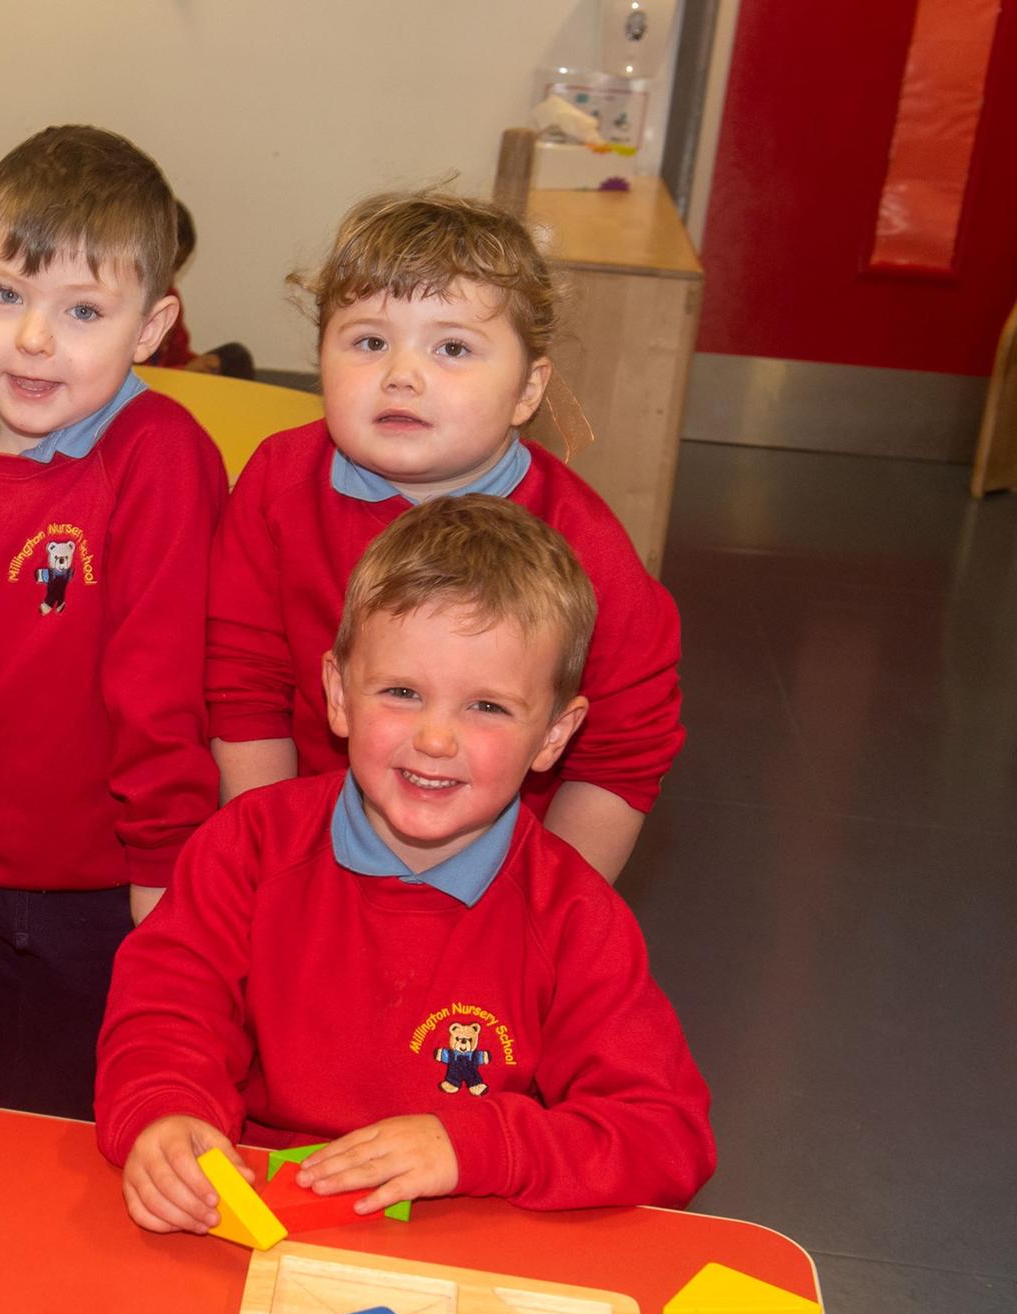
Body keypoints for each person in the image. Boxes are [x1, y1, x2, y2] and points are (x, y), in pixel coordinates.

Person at [98, 496, 714, 1226]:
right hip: (252, 1227)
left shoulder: (574, 917)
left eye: (486, 706)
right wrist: (166, 1113)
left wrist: (474, 1145)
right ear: (338, 694)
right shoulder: (247, 848)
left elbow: (664, 1134)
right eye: (401, 692)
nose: (434, 738)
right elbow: (166, 1011)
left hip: (467, 1236)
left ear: (554, 735)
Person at [0, 126, 227, 1120]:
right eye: (7, 296)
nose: (33, 339)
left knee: (86, 1117)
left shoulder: (159, 459)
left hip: (96, 880)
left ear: (151, 328)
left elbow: (158, 688)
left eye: (82, 312)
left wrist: (162, 866)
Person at [208, 189, 682, 882]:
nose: (401, 375)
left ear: (527, 390)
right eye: (369, 342)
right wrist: (275, 870)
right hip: (308, 846)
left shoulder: (584, 546)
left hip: (501, 871)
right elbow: (246, 690)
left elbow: (623, 751)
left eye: (453, 347)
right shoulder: (280, 484)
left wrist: (540, 916)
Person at [148, 202, 254, 379]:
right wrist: (184, 372)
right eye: (164, 267)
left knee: (236, 356)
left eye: (177, 267)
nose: (170, 278)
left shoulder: (170, 298)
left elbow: (179, 354)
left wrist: (201, 363)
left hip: (174, 379)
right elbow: (128, 373)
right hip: (142, 390)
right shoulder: (128, 306)